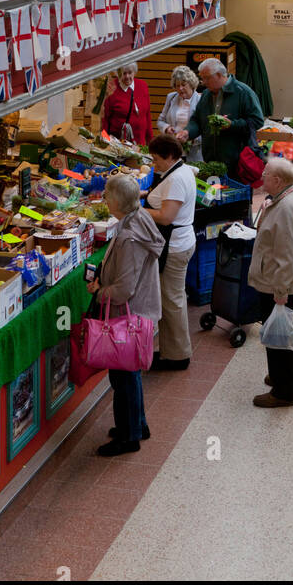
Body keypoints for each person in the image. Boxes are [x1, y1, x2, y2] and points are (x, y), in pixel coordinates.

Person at [86, 173, 162, 456]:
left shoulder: (130, 238)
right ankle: (137, 425)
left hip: (128, 317)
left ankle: (128, 438)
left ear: (116, 201)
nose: (103, 197)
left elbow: (124, 289)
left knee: (123, 379)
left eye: (106, 194)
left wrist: (98, 290)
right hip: (141, 312)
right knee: (130, 375)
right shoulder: (139, 218)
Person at [248, 158, 293, 408]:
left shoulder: (285, 210)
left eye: (266, 173)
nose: (262, 175)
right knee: (289, 329)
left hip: (277, 284)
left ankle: (283, 391)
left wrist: (280, 291)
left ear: (278, 180)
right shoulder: (290, 198)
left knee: (278, 338)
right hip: (286, 282)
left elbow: (285, 255)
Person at [144, 134, 198, 370]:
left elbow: (166, 217)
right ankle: (170, 350)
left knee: (172, 301)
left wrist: (137, 210)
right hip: (180, 243)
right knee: (170, 299)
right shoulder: (180, 171)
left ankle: (178, 357)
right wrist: (144, 197)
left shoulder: (177, 178)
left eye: (156, 160)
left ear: (169, 157)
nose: (154, 164)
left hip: (175, 246)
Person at [180, 58, 264, 180]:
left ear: (219, 75)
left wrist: (232, 125)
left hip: (238, 164)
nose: (203, 82)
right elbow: (197, 120)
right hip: (211, 162)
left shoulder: (243, 92)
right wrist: (187, 132)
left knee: (236, 197)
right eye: (202, 78)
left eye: (206, 78)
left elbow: (257, 121)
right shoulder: (206, 95)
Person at [156, 66, 202, 162]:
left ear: (191, 84)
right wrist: (167, 128)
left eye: (183, 84)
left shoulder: (201, 100)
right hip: (172, 150)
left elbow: (204, 128)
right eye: (177, 85)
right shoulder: (171, 97)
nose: (180, 88)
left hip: (194, 152)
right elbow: (160, 121)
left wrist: (191, 137)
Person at [101, 62, 152, 145]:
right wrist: (105, 140)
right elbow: (105, 119)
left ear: (134, 72)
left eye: (130, 73)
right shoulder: (111, 88)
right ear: (118, 73)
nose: (127, 76)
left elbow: (147, 115)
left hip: (139, 142)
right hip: (118, 143)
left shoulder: (143, 85)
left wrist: (150, 140)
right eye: (124, 73)